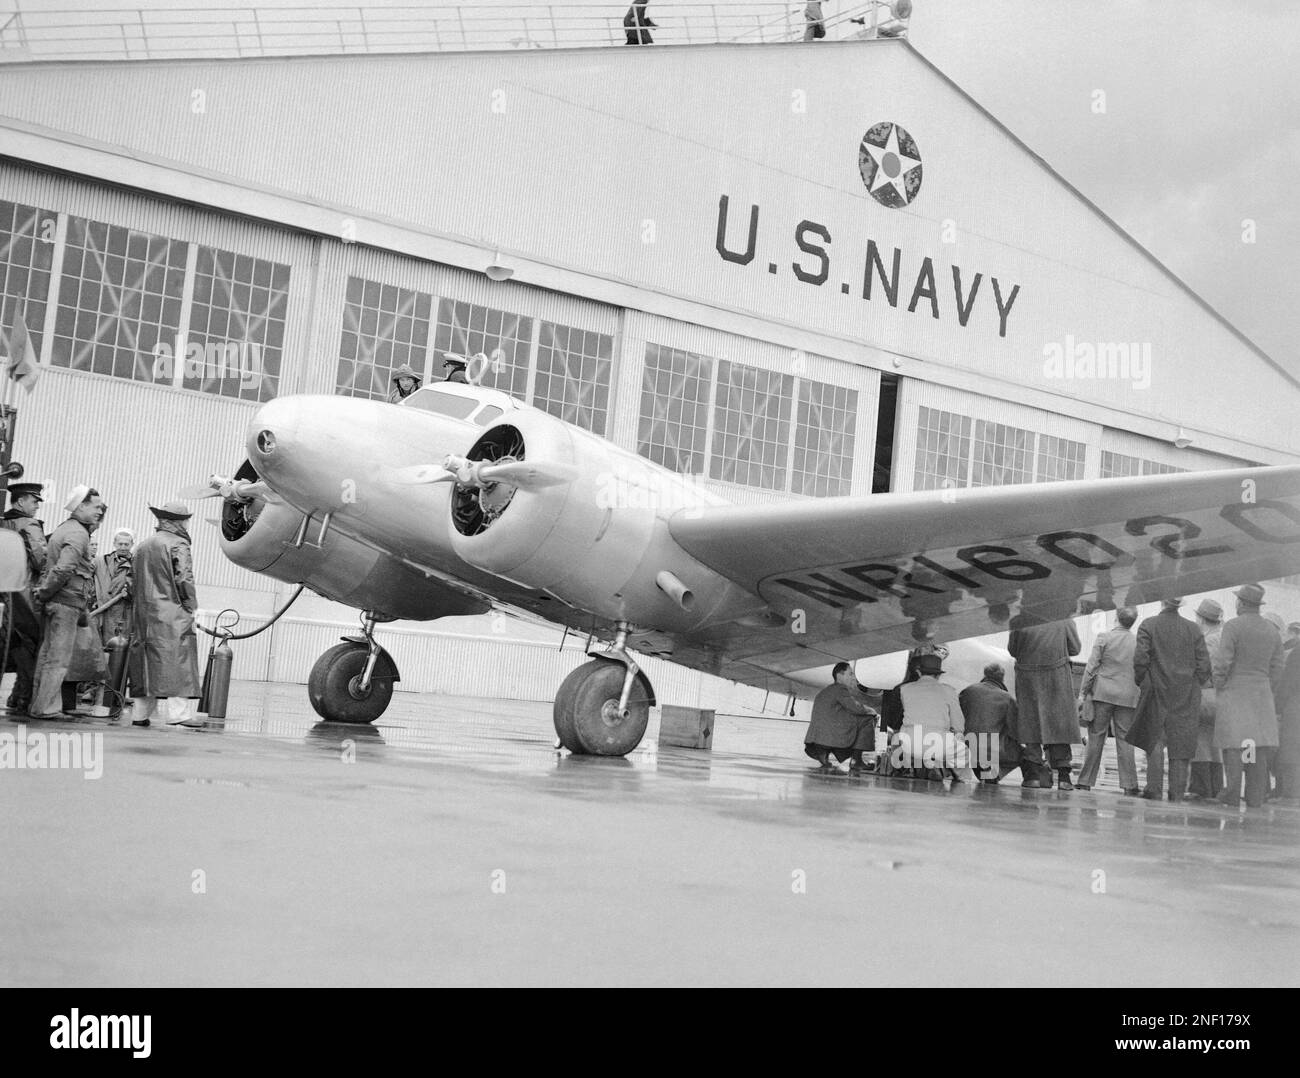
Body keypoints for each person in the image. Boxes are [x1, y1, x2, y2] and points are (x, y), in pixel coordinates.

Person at [28, 486, 105, 718]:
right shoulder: (79, 534)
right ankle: (45, 708)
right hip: (66, 603)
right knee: (58, 660)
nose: (100, 511)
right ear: (81, 505)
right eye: (96, 506)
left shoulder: (64, 528)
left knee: (46, 656)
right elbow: (64, 569)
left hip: (56, 602)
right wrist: (44, 592)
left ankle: (38, 705)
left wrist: (44, 594)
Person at [1127, 598, 1211, 802]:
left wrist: (1144, 682)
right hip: (1186, 695)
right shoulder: (1194, 629)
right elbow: (1205, 667)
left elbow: (1140, 660)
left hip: (1156, 691)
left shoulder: (1148, 625)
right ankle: (1177, 794)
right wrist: (1192, 685)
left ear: (1163, 602)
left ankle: (1153, 790)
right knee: (1181, 746)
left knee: (1156, 740)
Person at [1212, 584, 1284, 808]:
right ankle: (1254, 796)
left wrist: (1219, 684)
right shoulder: (1272, 631)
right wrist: (1266, 687)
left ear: (1241, 603)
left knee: (1234, 746)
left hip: (1235, 692)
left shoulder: (1233, 627)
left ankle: (1232, 794)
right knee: (1253, 746)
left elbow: (1223, 662)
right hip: (1261, 696)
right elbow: (1277, 667)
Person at [130, 501, 201, 727]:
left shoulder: (142, 546)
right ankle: (178, 714)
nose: (188, 524)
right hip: (172, 613)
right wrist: (191, 605)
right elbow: (184, 578)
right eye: (186, 520)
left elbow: (132, 581)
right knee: (178, 662)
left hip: (144, 614)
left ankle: (140, 715)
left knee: (146, 664)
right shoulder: (178, 544)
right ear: (176, 522)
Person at [1007, 615, 1081, 789]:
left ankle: (1032, 775)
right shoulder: (1064, 620)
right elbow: (1075, 648)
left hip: (1028, 677)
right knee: (1059, 723)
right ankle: (1064, 777)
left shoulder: (1018, 621)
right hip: (1056, 677)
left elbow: (1013, 650)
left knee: (1030, 721)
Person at [1075, 607, 1140, 794]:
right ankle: (1129, 785)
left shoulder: (1104, 638)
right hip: (1128, 696)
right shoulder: (1137, 641)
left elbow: (1091, 667)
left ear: (1116, 618)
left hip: (1103, 694)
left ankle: (1085, 780)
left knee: (1096, 736)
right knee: (1125, 739)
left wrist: (1082, 693)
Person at [1, 481, 47, 712]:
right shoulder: (29, 524)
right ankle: (24, 697)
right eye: (34, 500)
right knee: (30, 642)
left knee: (12, 644)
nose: (37, 505)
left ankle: (16, 696)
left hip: (5, 591)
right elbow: (41, 559)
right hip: (25, 590)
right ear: (21, 501)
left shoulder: (4, 522)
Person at [900, 652, 973, 782]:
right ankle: (958, 779)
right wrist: (957, 733)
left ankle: (929, 766)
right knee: (963, 752)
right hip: (939, 743)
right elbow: (958, 724)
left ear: (918, 672)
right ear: (938, 674)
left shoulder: (905, 689)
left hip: (909, 743)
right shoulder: (949, 691)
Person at [94, 527, 141, 717]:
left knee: (122, 652)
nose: (122, 547)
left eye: (126, 544)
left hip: (124, 614)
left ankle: (117, 691)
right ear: (114, 543)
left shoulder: (136, 564)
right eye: (120, 543)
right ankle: (96, 690)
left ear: (132, 545)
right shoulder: (101, 561)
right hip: (102, 613)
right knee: (99, 652)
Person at [804, 660, 878, 773]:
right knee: (868, 719)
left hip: (816, 735)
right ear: (840, 675)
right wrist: (871, 710)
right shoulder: (840, 689)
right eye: (850, 674)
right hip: (830, 732)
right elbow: (855, 707)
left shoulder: (827, 690)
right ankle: (857, 761)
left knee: (858, 719)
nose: (853, 677)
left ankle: (824, 753)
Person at [1187, 598, 1225, 799]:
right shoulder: (1223, 636)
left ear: (1201, 619)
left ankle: (1200, 787)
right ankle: (1216, 786)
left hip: (1206, 694)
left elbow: (1204, 670)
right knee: (1214, 743)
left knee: (1200, 741)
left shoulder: (1209, 640)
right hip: (1222, 696)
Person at [958, 662, 1020, 784]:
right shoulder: (1007, 698)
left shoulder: (968, 691)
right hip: (990, 751)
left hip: (965, 747)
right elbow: (1016, 731)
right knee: (1024, 752)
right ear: (1002, 677)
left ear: (985, 674)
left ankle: (983, 771)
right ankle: (993, 773)